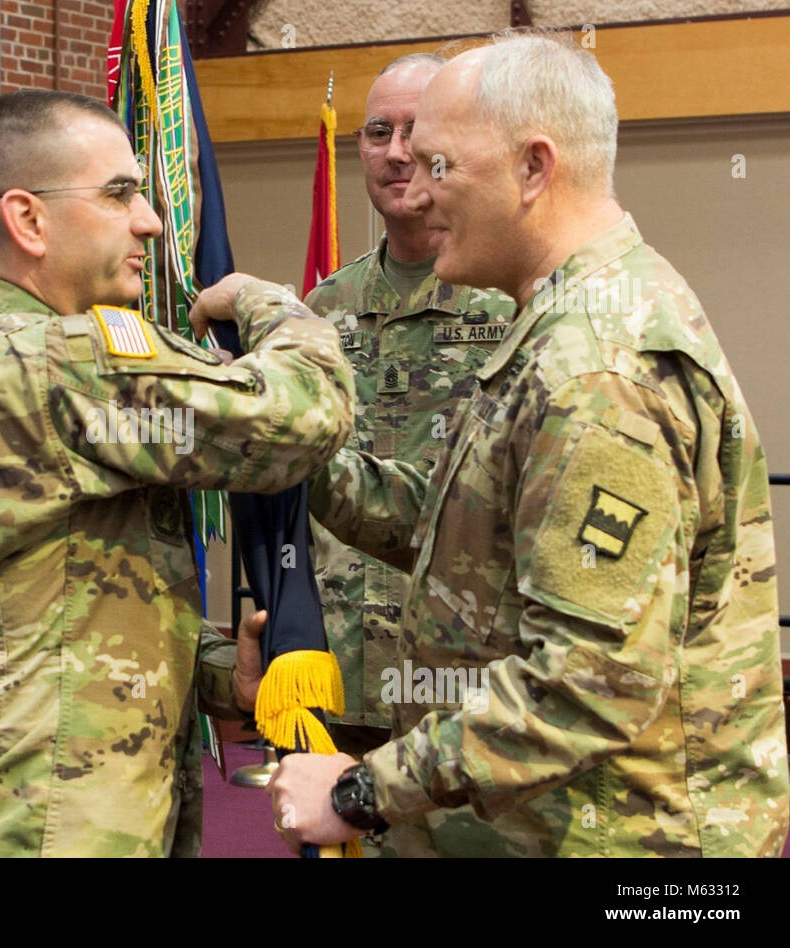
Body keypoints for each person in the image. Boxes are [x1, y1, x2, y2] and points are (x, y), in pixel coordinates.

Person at [268, 31, 788, 856]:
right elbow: (469, 540)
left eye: (440, 164)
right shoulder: (559, 326)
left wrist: (363, 789)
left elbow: (591, 685)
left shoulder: (597, 369)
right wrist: (297, 453)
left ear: (533, 168)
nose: (417, 190)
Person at [0, 89, 355, 857]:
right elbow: (308, 416)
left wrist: (217, 677)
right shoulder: (55, 361)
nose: (150, 220)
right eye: (119, 194)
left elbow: (70, 601)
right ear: (28, 220)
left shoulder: (10, 351)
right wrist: (265, 303)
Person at [305, 53, 513, 762]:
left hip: (466, 675)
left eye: (414, 131)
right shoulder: (322, 309)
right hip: (341, 666)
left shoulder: (515, 303)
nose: (396, 154)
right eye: (375, 132)